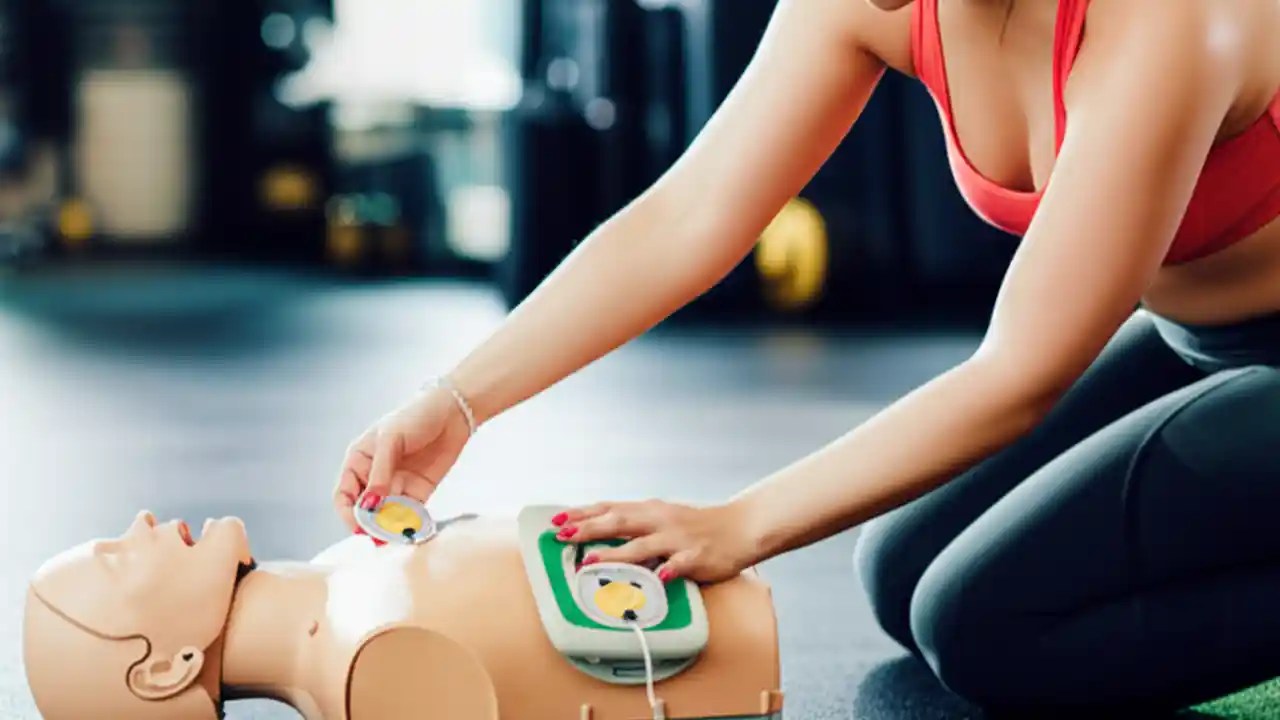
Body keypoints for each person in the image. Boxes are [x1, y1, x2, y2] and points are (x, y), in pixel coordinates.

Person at [334, 0, 1280, 713]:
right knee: (900, 575)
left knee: (986, 626)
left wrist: (741, 521)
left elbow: (1021, 371)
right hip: (1196, 344)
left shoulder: (1172, 21)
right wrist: (459, 399)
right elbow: (689, 216)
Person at [23, 510, 782, 719]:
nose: (144, 519)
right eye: (117, 559)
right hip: (711, 643)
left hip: (701, 579)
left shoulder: (343, 571)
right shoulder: (373, 671)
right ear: (166, 669)